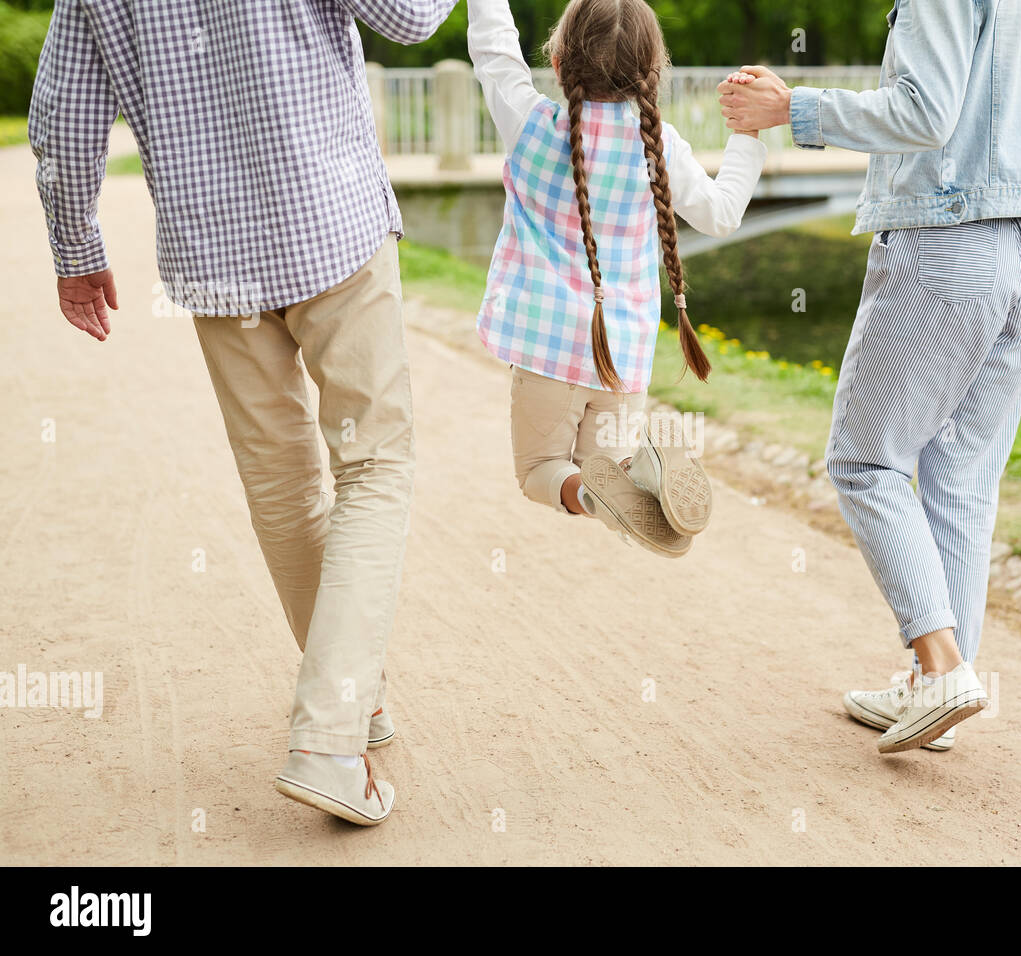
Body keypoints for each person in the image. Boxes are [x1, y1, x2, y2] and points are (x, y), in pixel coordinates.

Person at [29, 0, 461, 825]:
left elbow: (64, 112)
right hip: (330, 219)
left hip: (213, 249)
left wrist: (75, 249)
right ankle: (329, 739)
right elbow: (409, 19)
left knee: (280, 483)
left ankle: (353, 699)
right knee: (374, 466)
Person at [719, 0, 1021, 752]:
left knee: (865, 461)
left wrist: (791, 108)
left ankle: (940, 670)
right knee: (961, 483)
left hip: (946, 245)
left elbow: (924, 114)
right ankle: (934, 694)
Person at [467, 0, 766, 557]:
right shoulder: (659, 148)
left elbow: (493, 52)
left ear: (557, 63)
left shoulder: (530, 126)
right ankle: (642, 474)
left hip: (544, 348)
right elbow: (722, 213)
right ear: (654, 73)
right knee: (607, 462)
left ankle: (608, 497)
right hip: (621, 359)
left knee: (541, 472)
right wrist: (747, 132)